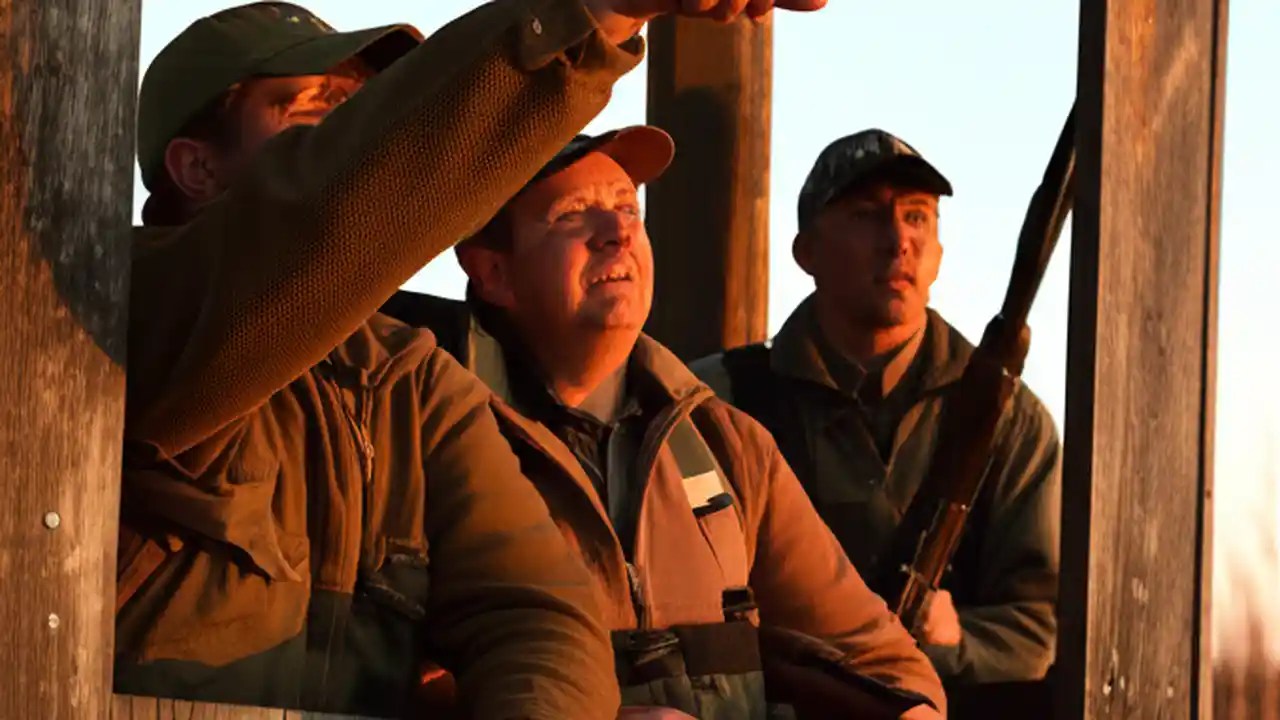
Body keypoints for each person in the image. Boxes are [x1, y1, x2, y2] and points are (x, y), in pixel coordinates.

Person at [114, 1, 822, 717]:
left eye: (363, 114)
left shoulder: (409, 381)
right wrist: (587, 15)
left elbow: (537, 612)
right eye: (308, 116)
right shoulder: (121, 317)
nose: (353, 141)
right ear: (196, 167)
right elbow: (322, 216)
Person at [382, 127, 947, 719]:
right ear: (492, 271)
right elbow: (369, 674)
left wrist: (907, 711)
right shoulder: (424, 431)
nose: (618, 232)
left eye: (628, 208)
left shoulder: (729, 445)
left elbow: (887, 666)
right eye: (573, 215)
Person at [691, 128, 1062, 687]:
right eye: (865, 216)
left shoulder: (1009, 419)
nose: (897, 241)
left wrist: (955, 640)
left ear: (938, 252)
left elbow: (1040, 629)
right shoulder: (721, 403)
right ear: (806, 252)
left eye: (917, 218)